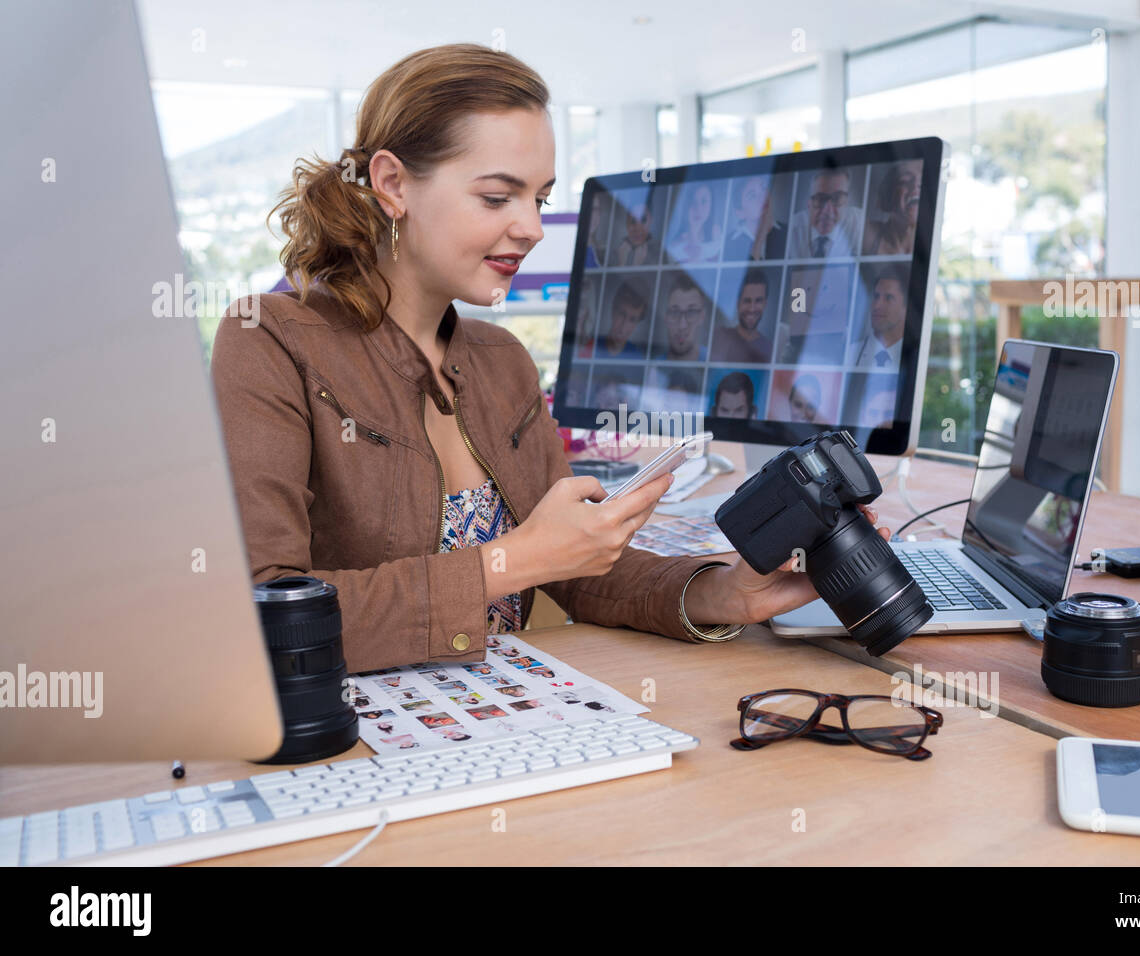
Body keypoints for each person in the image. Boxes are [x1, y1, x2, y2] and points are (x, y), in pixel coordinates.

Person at [210, 43, 892, 672]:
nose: (533, 227)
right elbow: (263, 617)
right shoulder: (268, 341)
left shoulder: (500, 359)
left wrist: (726, 595)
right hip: (360, 754)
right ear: (392, 184)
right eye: (497, 196)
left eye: (539, 198)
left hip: (511, 726)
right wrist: (512, 560)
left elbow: (576, 571)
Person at [787, 169, 863, 258]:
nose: (827, 211)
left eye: (837, 198)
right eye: (820, 199)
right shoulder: (792, 229)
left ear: (847, 203)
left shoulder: (859, 224)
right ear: (808, 203)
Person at [711, 268, 774, 364]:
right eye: (747, 301)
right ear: (737, 303)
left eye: (758, 301)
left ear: (765, 304)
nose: (752, 309)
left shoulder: (769, 349)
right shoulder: (719, 337)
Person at [850, 267, 907, 372]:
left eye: (889, 298)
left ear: (905, 307)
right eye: (876, 296)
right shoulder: (849, 354)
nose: (877, 305)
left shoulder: (912, 359)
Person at [862, 159, 922, 256]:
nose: (915, 187)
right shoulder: (865, 231)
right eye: (905, 181)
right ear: (888, 195)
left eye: (922, 182)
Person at [722, 176, 788, 260]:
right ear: (740, 212)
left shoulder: (789, 232)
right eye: (752, 195)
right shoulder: (727, 245)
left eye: (763, 188)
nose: (762, 197)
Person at [656, 273, 709, 361]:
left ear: (702, 317)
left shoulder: (715, 365)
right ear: (665, 317)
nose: (682, 325)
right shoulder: (651, 369)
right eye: (674, 312)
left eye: (691, 312)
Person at [664, 183, 722, 262]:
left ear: (711, 204)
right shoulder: (675, 246)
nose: (698, 209)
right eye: (693, 202)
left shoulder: (717, 234)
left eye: (704, 201)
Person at [594, 279, 650, 359]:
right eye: (622, 314)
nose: (623, 328)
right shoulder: (590, 348)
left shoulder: (637, 359)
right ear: (613, 310)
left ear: (637, 323)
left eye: (632, 320)